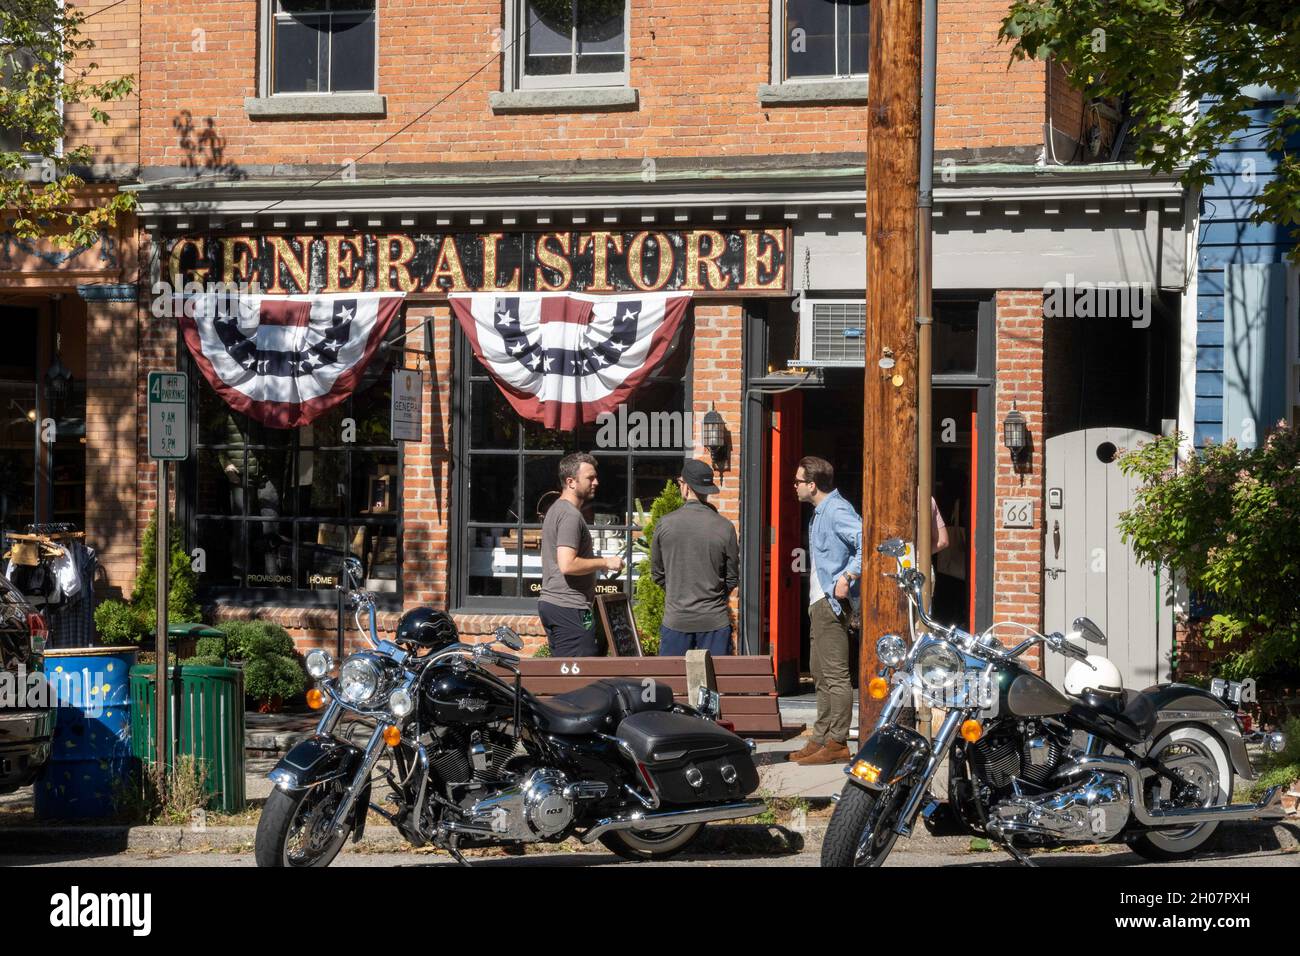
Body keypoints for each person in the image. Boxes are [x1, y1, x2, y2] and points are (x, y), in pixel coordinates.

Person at [788, 456, 863, 766]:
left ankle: (837, 742)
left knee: (835, 676)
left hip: (832, 603)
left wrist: (847, 577)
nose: (794, 487)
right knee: (818, 673)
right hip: (818, 602)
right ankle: (820, 738)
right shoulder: (820, 513)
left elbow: (865, 539)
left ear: (812, 485)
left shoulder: (837, 510)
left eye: (797, 482)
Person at [651, 459, 740, 656]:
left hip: (676, 620)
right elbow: (732, 577)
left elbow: (657, 574)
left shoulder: (665, 524)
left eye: (680, 483)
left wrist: (677, 591)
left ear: (687, 487)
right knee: (714, 686)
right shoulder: (724, 527)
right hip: (714, 621)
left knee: (673, 685)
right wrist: (713, 598)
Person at [538, 452, 623, 656]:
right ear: (571, 482)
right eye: (590, 478)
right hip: (569, 607)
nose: (596, 482)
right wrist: (605, 562)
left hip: (556, 605)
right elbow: (567, 565)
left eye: (595, 477)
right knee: (581, 676)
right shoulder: (570, 516)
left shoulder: (556, 509)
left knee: (564, 675)